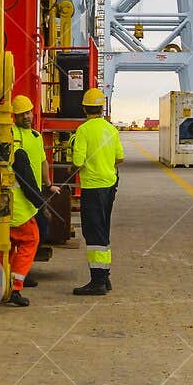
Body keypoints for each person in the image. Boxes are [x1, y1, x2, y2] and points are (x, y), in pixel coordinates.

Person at [4, 94, 56, 307]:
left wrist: (48, 184)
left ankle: (14, 278)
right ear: (14, 116)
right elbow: (22, 174)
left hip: (30, 198)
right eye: (22, 113)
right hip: (20, 201)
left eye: (28, 112)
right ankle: (14, 284)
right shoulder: (11, 136)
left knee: (25, 240)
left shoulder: (36, 136)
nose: (27, 116)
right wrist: (39, 201)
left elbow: (43, 162)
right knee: (31, 238)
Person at [70, 87, 123, 296]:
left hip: (92, 187)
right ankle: (105, 275)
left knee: (93, 232)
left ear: (84, 108)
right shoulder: (111, 129)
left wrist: (74, 145)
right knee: (103, 229)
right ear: (102, 108)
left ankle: (98, 281)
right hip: (109, 185)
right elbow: (120, 157)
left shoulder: (83, 130)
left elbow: (77, 161)